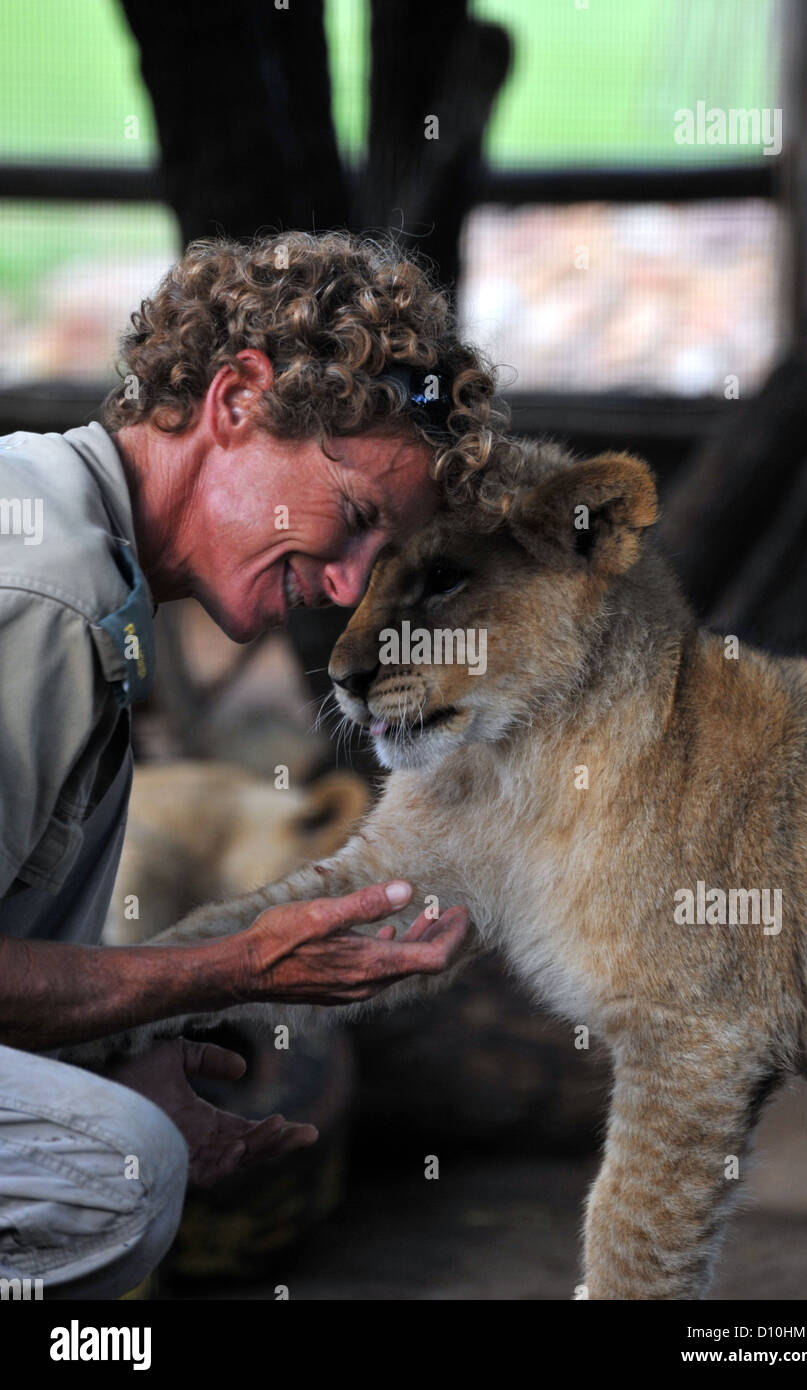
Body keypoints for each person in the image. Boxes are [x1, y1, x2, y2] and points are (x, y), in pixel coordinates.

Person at [0, 230, 513, 1297]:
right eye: (356, 518)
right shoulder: (49, 594)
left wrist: (104, 1060)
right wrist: (234, 968)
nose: (347, 588)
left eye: (383, 560)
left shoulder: (73, 551)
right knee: (112, 1169)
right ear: (236, 400)